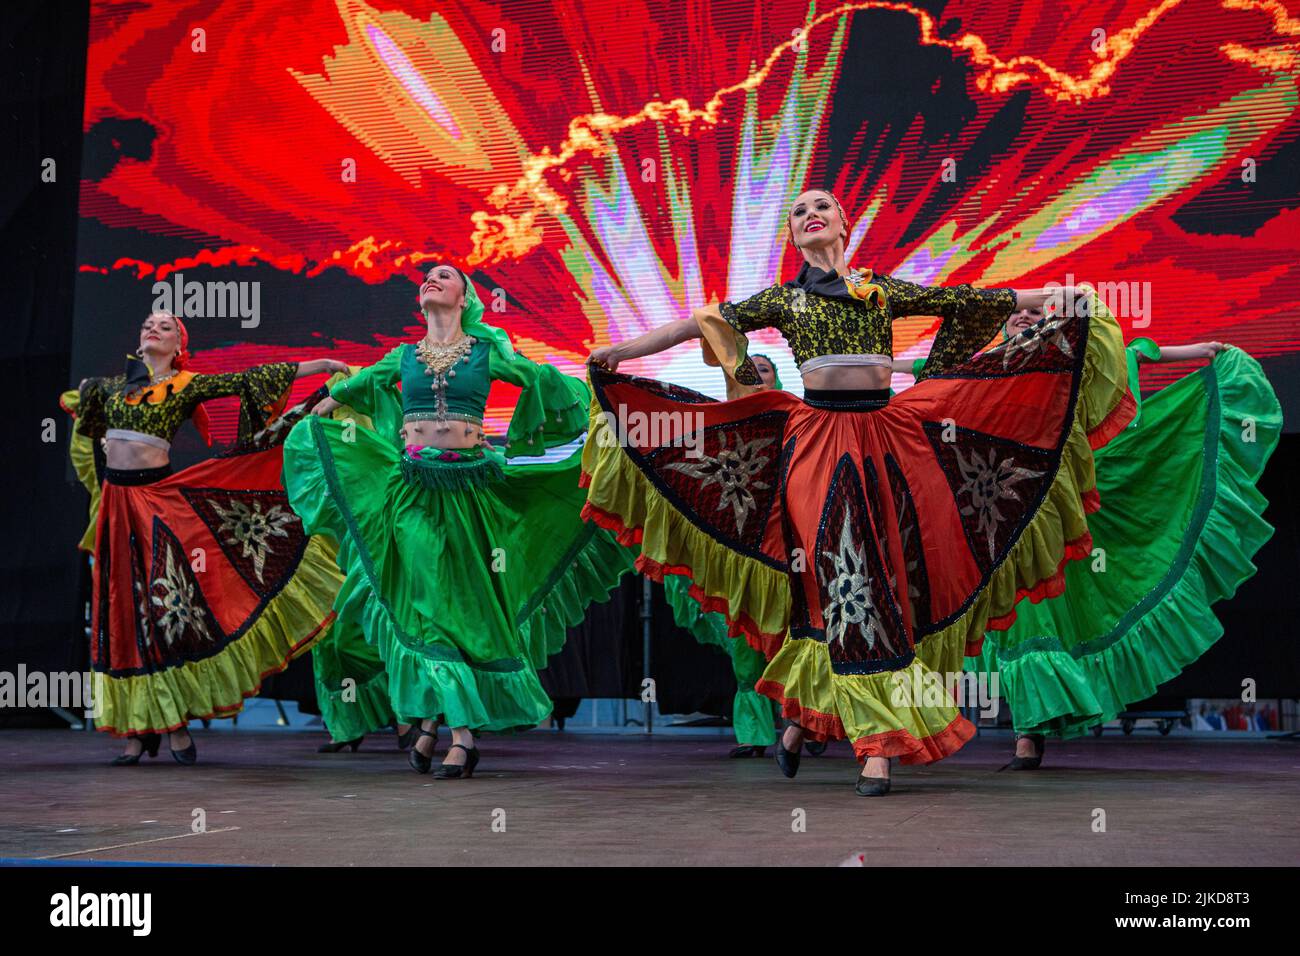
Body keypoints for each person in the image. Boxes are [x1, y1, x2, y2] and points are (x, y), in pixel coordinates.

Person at [583, 188, 1132, 796]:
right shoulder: (785, 300)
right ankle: (876, 746)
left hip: (887, 437)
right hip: (816, 442)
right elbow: (702, 323)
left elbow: (973, 301)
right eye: (798, 211)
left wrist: (1064, 296)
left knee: (878, 581)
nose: (811, 213)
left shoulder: (882, 288)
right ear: (793, 237)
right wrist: (623, 353)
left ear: (845, 223)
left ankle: (802, 717)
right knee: (847, 574)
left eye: (823, 205)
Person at [283, 264, 634, 778]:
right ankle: (461, 737)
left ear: (466, 297)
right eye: (426, 276)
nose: (431, 279)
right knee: (427, 600)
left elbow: (542, 381)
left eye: (444, 275)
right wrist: (307, 423)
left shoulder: (487, 351)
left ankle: (429, 719)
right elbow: (345, 394)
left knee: (465, 607)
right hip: (411, 494)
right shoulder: (400, 359)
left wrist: (598, 394)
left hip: (472, 492)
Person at [937, 317, 1282, 766]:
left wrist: (1199, 349)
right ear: (1000, 327)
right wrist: (873, 371)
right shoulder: (988, 368)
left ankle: (1030, 732)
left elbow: (1129, 356)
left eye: (1033, 314)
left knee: (1044, 608)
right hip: (1006, 506)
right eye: (1014, 313)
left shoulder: (1065, 359)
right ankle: (1029, 730)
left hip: (1062, 499)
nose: (1023, 317)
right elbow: (931, 370)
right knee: (1020, 614)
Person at [61, 311, 349, 765]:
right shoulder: (107, 388)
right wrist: (99, 494)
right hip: (117, 507)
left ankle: (173, 722)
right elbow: (85, 437)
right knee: (123, 614)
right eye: (147, 324)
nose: (153, 328)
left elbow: (252, 378)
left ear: (179, 345)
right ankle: (141, 728)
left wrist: (321, 366)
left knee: (164, 610)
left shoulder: (185, 384)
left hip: (156, 504)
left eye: (165, 326)